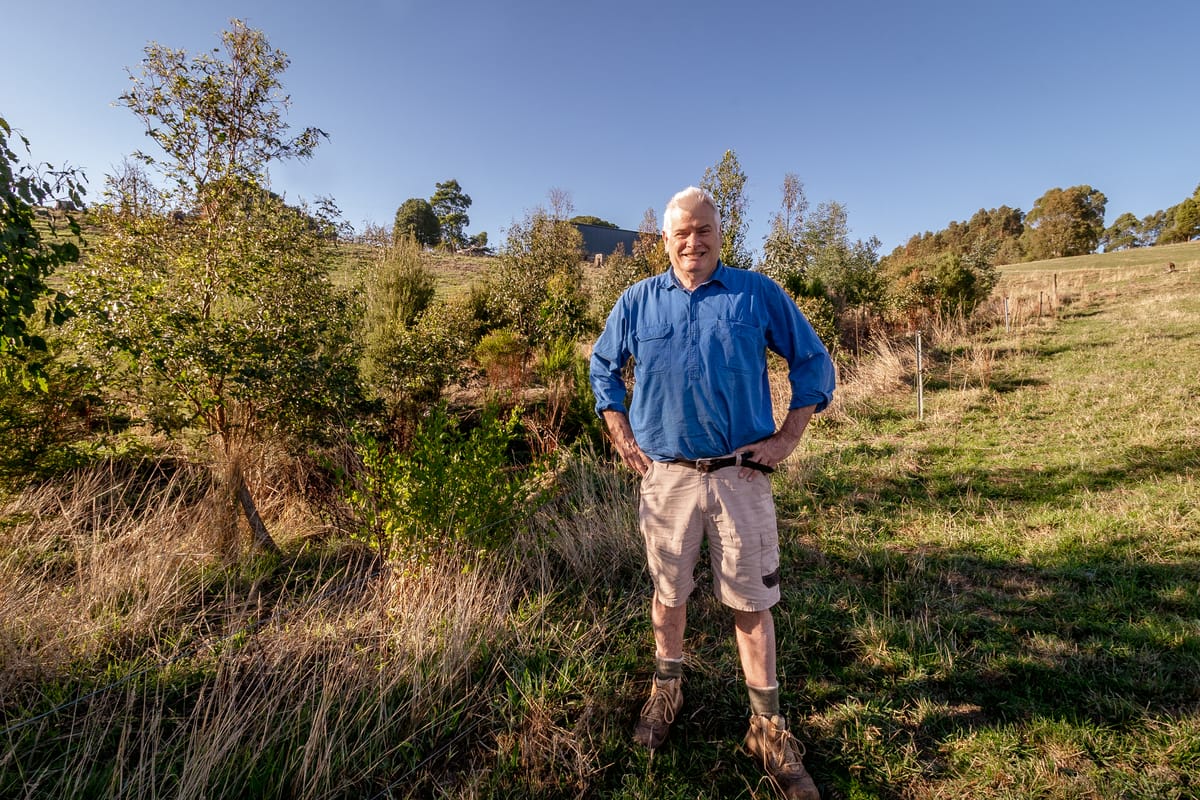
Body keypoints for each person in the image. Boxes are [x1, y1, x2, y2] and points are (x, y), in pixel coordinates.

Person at [589, 186, 835, 799]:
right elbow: (602, 368)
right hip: (666, 477)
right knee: (668, 594)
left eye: (704, 230)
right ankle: (667, 691)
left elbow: (813, 362)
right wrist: (621, 433)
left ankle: (767, 727)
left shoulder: (756, 295)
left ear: (719, 234)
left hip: (741, 476)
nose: (692, 242)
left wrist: (786, 439)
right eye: (681, 232)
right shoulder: (638, 302)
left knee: (752, 604)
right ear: (665, 239)